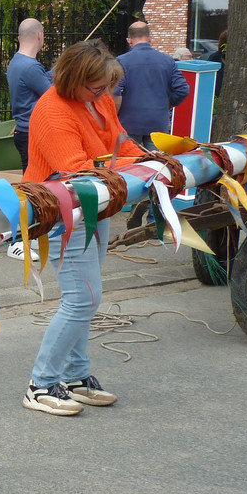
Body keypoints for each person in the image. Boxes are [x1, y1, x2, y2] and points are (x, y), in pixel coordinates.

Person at [22, 39, 146, 416]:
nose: (105, 94)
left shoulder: (98, 99)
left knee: (85, 299)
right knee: (83, 299)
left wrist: (150, 160)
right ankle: (40, 384)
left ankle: (75, 375)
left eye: (108, 87)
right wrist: (138, 170)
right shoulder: (52, 111)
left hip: (98, 206)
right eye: (97, 88)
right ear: (73, 79)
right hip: (62, 211)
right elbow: (78, 169)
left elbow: (120, 144)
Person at [112, 21, 189, 151]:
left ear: (129, 40)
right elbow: (183, 89)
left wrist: (116, 115)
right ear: (150, 38)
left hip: (129, 122)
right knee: (157, 164)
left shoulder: (122, 61)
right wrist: (168, 104)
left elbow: (115, 91)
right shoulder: (168, 60)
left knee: (129, 164)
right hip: (158, 122)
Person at [6, 17, 52, 171]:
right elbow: (53, 96)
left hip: (23, 130)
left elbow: (38, 80)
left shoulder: (16, 62)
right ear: (40, 35)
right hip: (32, 133)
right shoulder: (31, 67)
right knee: (37, 183)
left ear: (19, 38)